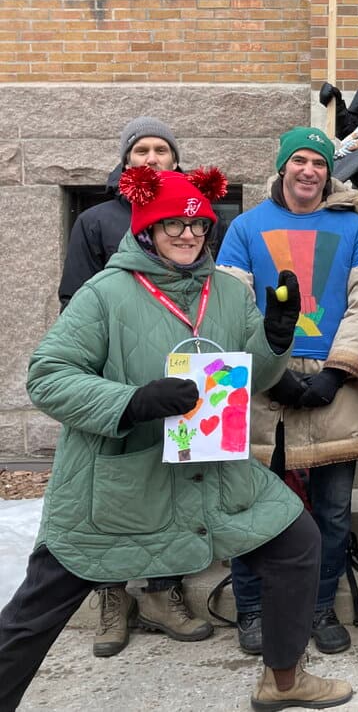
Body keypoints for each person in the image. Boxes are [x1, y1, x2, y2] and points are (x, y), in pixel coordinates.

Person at [0, 167, 353, 711]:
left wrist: (274, 338)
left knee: (297, 542)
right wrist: (132, 401)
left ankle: (283, 681)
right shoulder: (105, 294)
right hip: (120, 484)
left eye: (199, 226)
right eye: (174, 225)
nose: (189, 235)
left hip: (213, 469)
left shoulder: (227, 292)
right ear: (147, 229)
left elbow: (252, 377)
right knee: (41, 606)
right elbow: (47, 377)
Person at [217, 126, 358, 657]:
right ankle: (252, 607)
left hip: (337, 384)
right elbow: (232, 304)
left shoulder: (354, 228)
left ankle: (319, 606)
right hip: (265, 386)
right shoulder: (245, 227)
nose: (309, 171)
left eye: (318, 162)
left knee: (333, 511)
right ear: (283, 166)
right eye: (300, 160)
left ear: (329, 172)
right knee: (251, 503)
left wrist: (337, 372)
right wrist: (273, 372)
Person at [55, 115, 217, 656]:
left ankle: (163, 591)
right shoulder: (98, 219)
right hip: (115, 373)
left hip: (176, 370)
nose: (151, 157)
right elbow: (76, 295)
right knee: (114, 489)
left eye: (160, 149)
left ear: (175, 159)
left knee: (167, 483)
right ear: (126, 159)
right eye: (141, 149)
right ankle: (111, 595)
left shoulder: (192, 215)